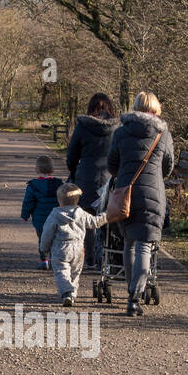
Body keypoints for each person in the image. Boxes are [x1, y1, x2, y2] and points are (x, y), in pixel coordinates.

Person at [106, 91, 175, 316]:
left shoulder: (120, 132)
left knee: (129, 243)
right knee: (145, 245)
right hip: (153, 195)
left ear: (135, 108)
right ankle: (135, 297)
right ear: (156, 110)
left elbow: (112, 165)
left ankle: (130, 290)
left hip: (125, 193)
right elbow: (168, 167)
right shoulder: (163, 134)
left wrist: (125, 174)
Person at [66, 92, 118, 266]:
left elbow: (71, 155)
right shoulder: (118, 128)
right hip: (111, 179)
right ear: (110, 107)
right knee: (107, 218)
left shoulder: (82, 126)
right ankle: (105, 257)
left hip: (86, 178)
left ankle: (89, 258)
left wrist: (74, 172)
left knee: (87, 219)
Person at [40, 183, 108, 306]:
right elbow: (95, 222)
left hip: (60, 249)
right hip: (78, 249)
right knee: (75, 273)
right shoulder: (81, 213)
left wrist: (44, 248)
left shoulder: (54, 215)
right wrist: (107, 215)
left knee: (61, 271)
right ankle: (72, 294)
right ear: (77, 201)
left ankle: (67, 292)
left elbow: (47, 233)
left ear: (59, 201)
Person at [21, 154, 63, 270]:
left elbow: (28, 202)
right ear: (52, 170)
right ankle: (55, 259)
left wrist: (25, 215)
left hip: (40, 220)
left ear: (37, 169)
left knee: (42, 239)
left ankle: (44, 260)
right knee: (55, 239)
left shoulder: (33, 186)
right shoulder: (59, 184)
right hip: (56, 219)